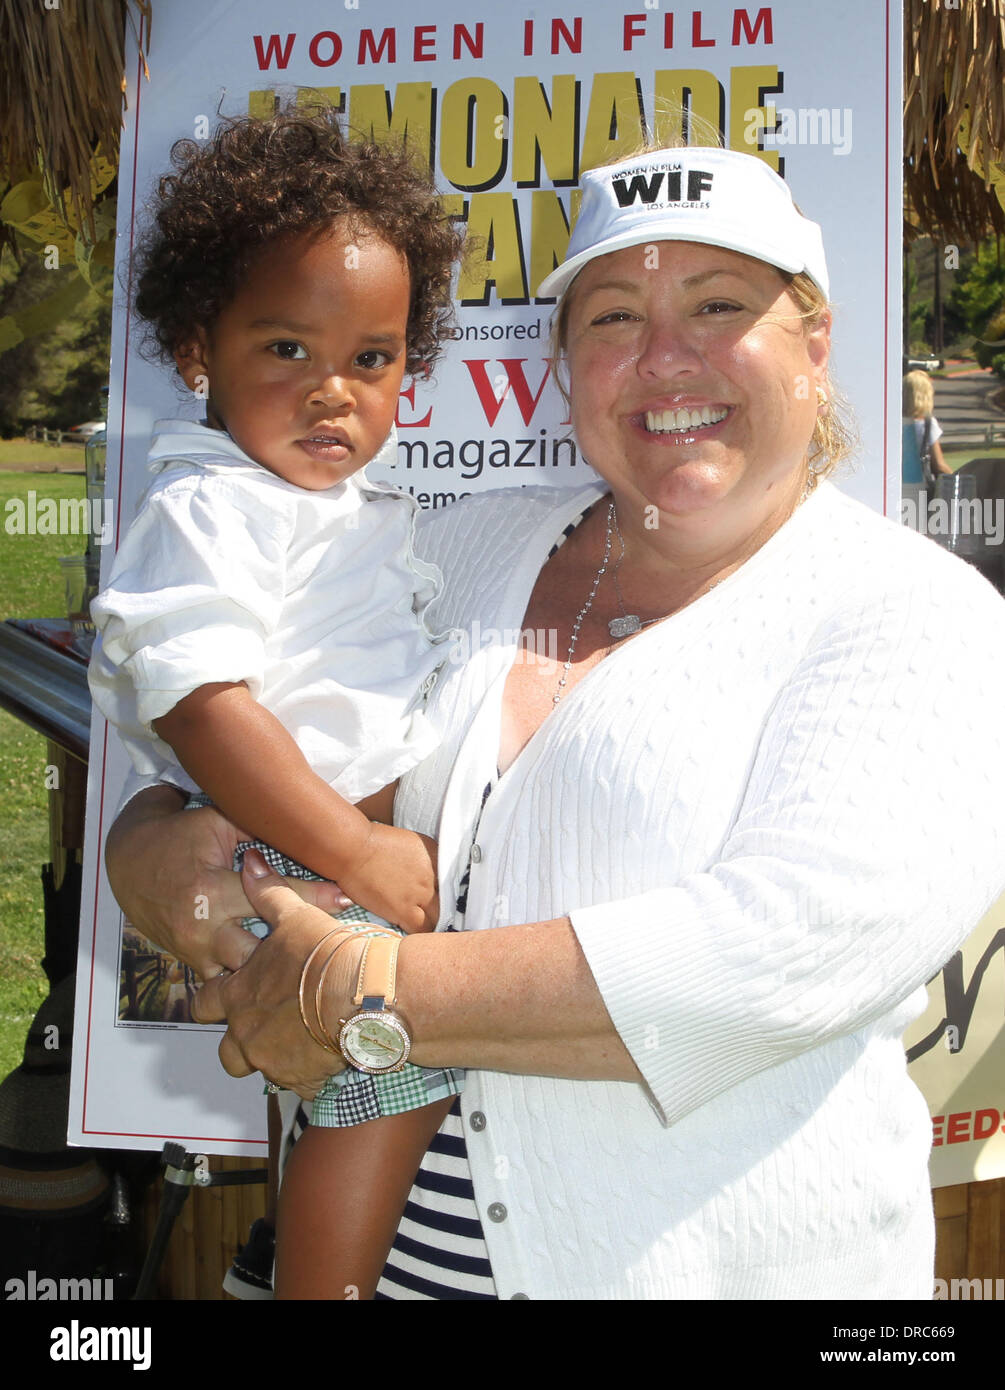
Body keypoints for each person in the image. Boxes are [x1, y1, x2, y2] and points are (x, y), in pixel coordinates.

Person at [105, 144, 1005, 1300]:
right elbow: (199, 687)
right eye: (614, 315)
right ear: (565, 363)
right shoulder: (446, 542)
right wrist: (153, 848)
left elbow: (777, 959)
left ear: (815, 347)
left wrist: (361, 993)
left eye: (720, 305)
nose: (665, 356)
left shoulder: (916, 612)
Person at [87, 111, 468, 1299]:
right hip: (294, 851)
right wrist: (351, 839)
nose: (333, 394)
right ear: (199, 352)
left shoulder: (327, 508)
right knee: (388, 1074)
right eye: (286, 349)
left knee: (361, 1081)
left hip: (318, 853)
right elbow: (199, 701)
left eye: (372, 359)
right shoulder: (213, 511)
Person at [902, 368, 951, 528]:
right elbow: (939, 465)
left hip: (897, 488)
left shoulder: (895, 423)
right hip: (920, 493)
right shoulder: (928, 424)